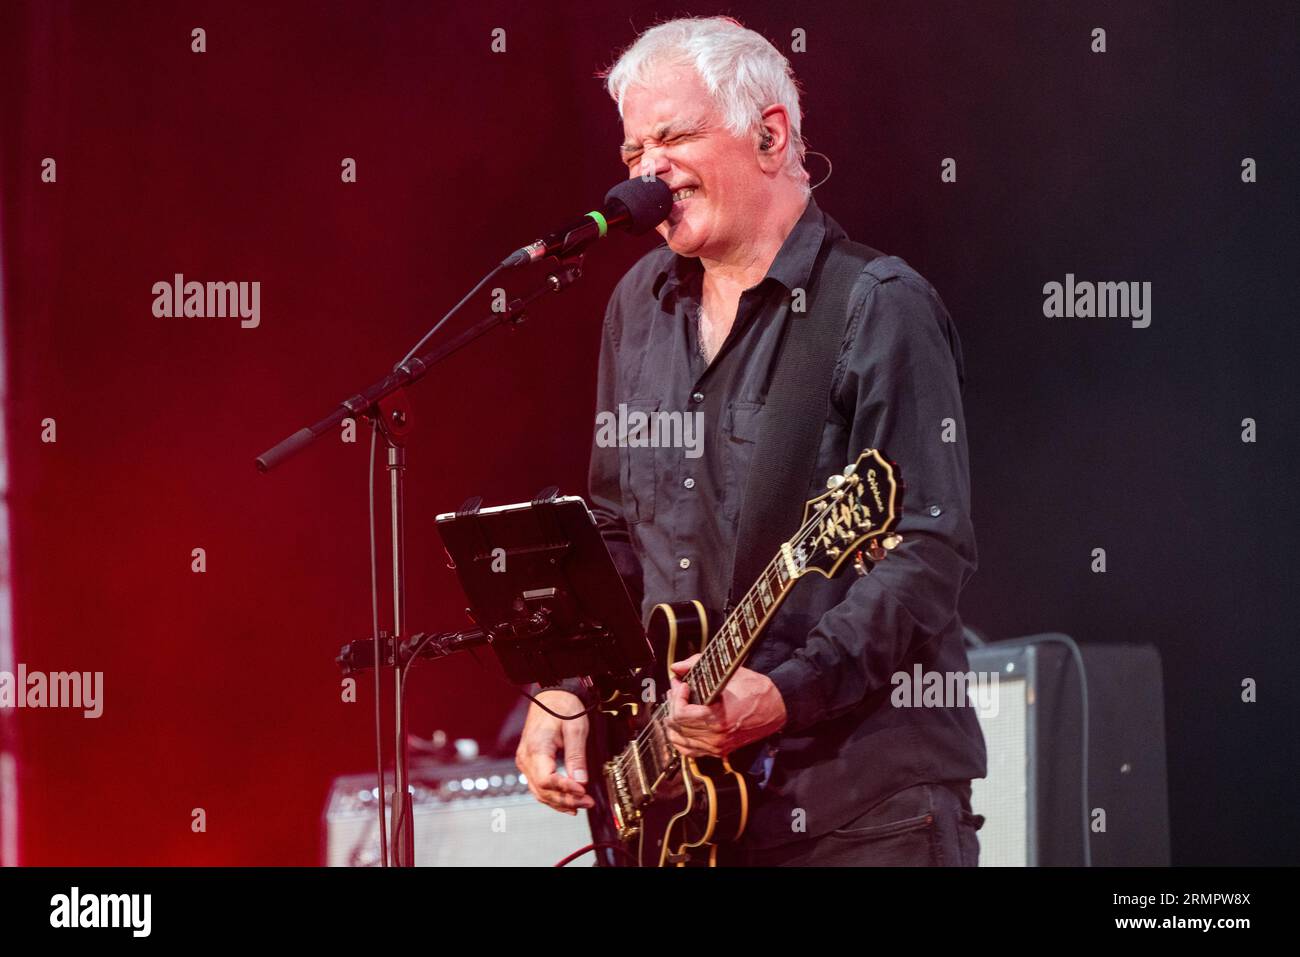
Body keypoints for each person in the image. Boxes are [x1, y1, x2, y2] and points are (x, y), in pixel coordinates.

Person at [516, 15, 986, 866]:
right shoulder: (638, 305)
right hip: (687, 815)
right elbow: (617, 530)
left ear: (771, 134)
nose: (646, 171)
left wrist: (785, 692)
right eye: (631, 153)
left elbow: (927, 550)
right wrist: (567, 686)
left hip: (861, 804)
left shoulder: (876, 305)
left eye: (673, 136)